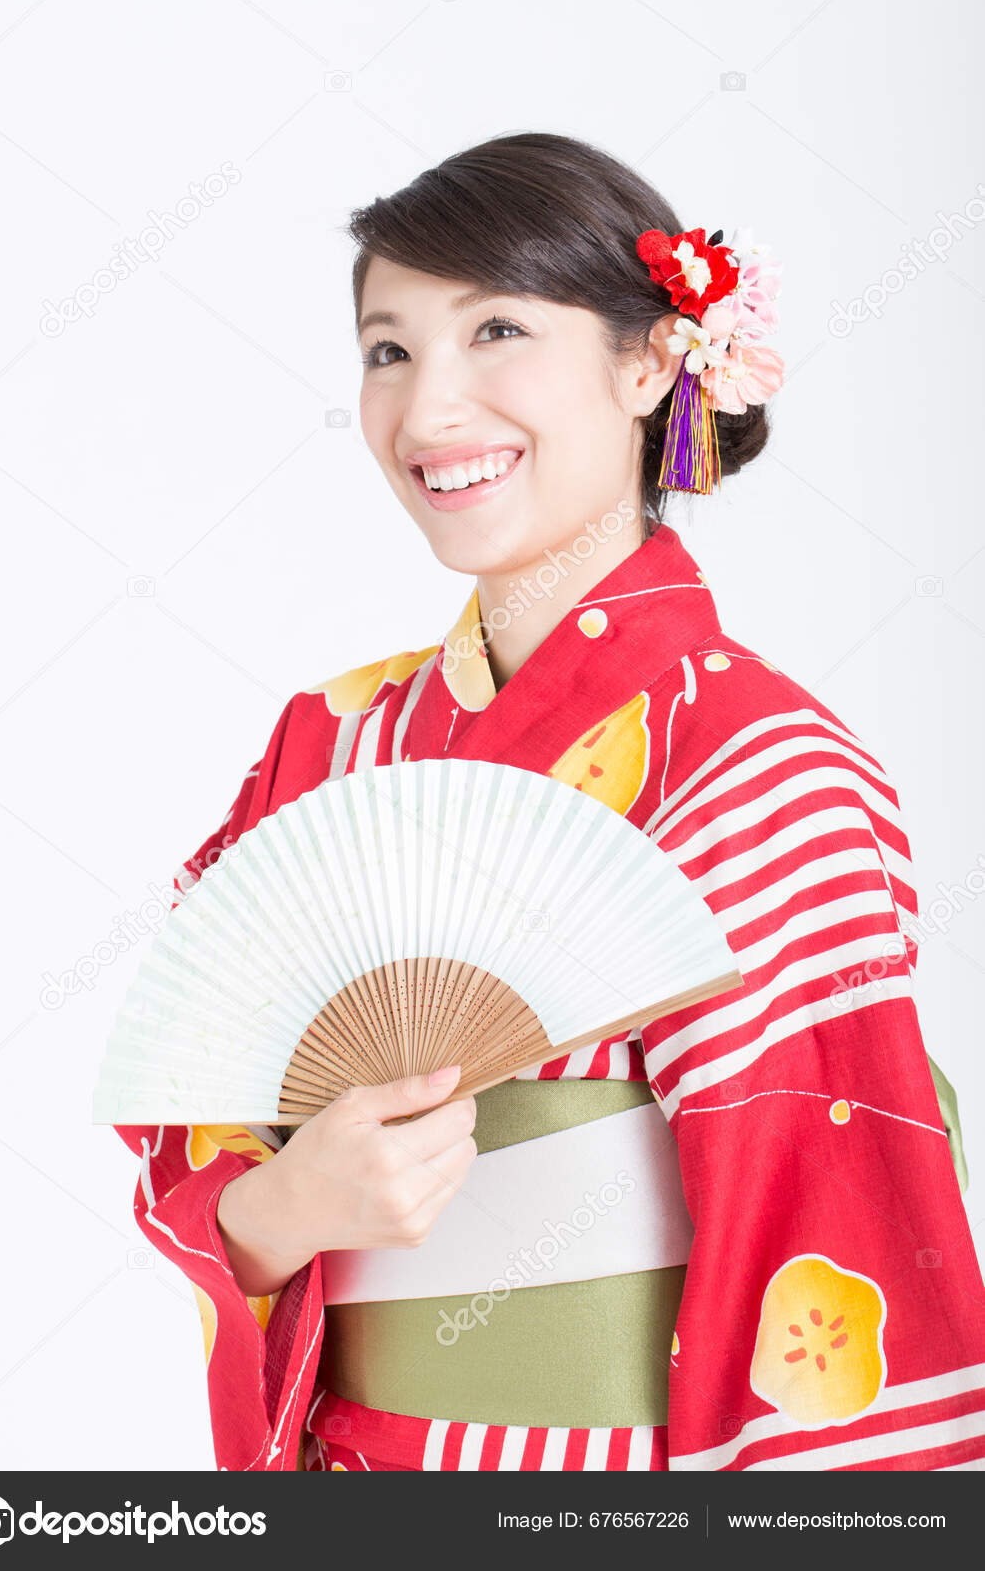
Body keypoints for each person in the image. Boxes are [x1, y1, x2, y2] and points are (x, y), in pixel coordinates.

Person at [114, 132, 984, 1472]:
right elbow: (196, 1103)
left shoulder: (762, 768)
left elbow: (833, 1252)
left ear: (650, 364)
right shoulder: (329, 746)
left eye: (497, 330)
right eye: (388, 349)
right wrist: (281, 1209)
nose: (426, 409)